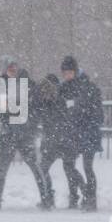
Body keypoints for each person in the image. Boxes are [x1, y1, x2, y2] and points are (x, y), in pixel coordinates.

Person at [0, 58, 51, 210]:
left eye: (14, 68)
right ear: (5, 70)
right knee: (2, 168)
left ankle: (45, 199)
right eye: (10, 69)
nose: (13, 71)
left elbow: (37, 106)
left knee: (34, 166)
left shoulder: (26, 83)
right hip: (9, 133)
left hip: (23, 133)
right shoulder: (0, 85)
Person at [58, 56, 103, 211]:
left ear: (75, 71)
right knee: (68, 165)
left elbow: (96, 112)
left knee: (87, 167)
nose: (67, 75)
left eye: (69, 72)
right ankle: (80, 194)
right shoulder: (64, 88)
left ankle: (91, 200)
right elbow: (60, 107)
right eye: (64, 73)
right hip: (73, 133)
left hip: (87, 132)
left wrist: (78, 113)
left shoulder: (88, 87)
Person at [34, 74, 83, 208]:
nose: (46, 91)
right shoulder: (45, 102)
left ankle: (75, 196)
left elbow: (64, 121)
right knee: (59, 169)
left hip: (62, 141)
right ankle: (52, 197)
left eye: (48, 88)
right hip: (56, 142)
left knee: (68, 169)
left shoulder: (60, 101)